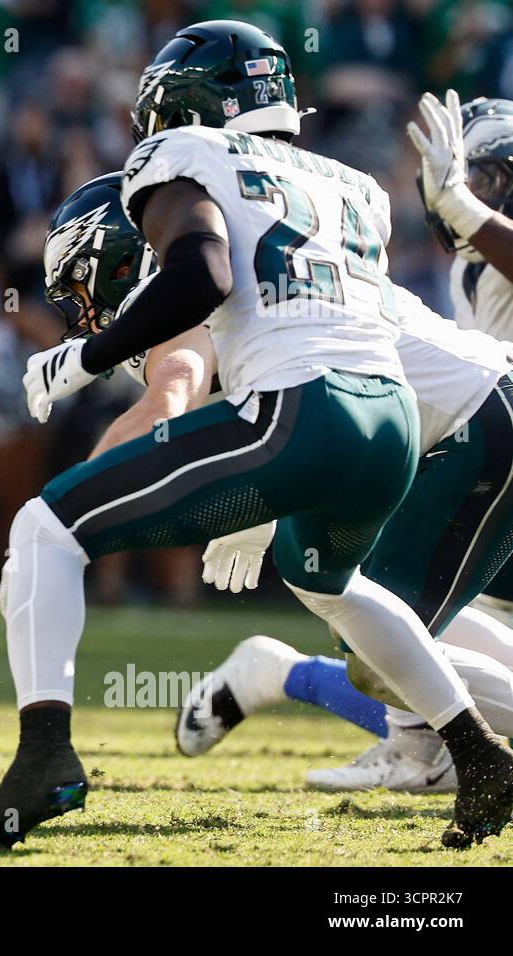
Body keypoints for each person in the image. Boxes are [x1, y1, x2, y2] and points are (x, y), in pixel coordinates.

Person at [0, 20, 513, 852]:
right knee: (329, 583)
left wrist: (81, 361)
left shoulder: (183, 161)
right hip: (394, 423)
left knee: (44, 525)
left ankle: (45, 758)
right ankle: (478, 756)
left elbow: (203, 277)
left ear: (183, 109)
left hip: (319, 411)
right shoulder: (349, 183)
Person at [181, 91, 513, 790]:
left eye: (486, 181)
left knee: (402, 651)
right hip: (475, 446)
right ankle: (409, 742)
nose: (463, 194)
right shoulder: (469, 268)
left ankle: (290, 676)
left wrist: (471, 214)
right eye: (464, 180)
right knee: (399, 648)